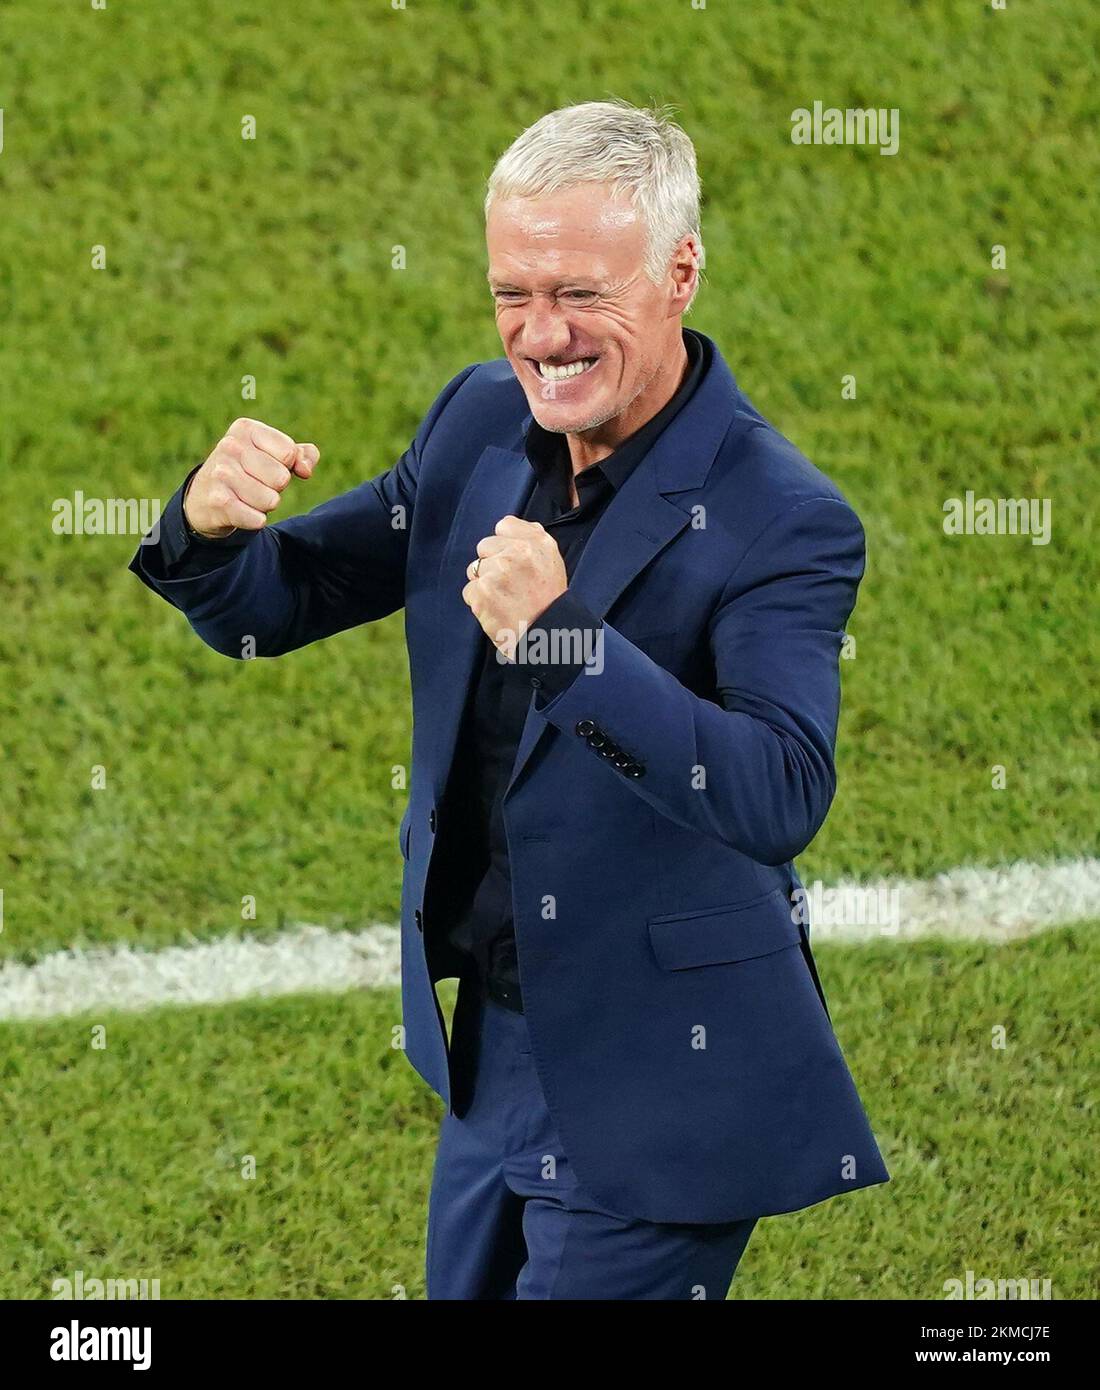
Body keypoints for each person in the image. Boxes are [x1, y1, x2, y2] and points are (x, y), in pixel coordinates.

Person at [129, 99, 890, 1300]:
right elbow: (289, 598)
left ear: (679, 271)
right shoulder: (480, 421)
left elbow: (776, 791)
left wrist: (564, 641)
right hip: (493, 1050)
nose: (541, 336)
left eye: (579, 293)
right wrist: (206, 529)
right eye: (511, 293)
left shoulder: (778, 517)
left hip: (657, 1080)